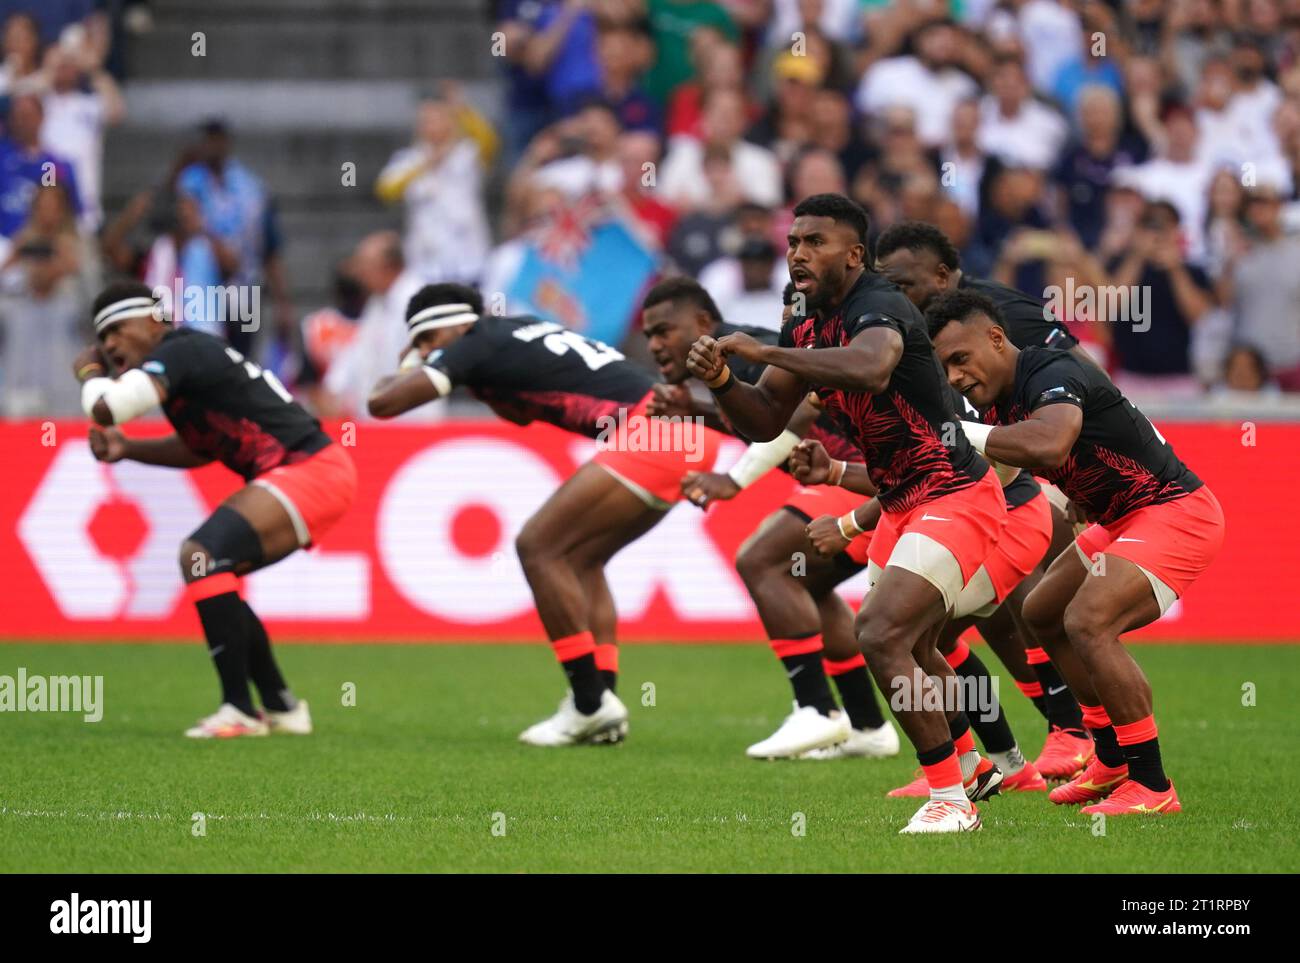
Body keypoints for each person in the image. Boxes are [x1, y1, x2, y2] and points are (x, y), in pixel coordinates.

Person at [688, 193, 1009, 833]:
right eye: (794, 241)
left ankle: (949, 799)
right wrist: (723, 382)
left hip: (954, 491)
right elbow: (765, 420)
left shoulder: (880, 307)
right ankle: (974, 762)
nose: (798, 253)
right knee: (914, 644)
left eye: (815, 242)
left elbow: (870, 368)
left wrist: (765, 353)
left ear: (855, 255)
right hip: (898, 501)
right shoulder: (805, 323)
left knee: (881, 634)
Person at [366, 282, 728, 747]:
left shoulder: (473, 340)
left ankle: (589, 702)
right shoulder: (517, 330)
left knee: (537, 546)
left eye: (427, 341)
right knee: (582, 561)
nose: (429, 353)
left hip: (654, 431)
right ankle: (603, 708)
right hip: (688, 431)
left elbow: (383, 403)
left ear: (446, 327)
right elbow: (521, 413)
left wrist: (413, 361)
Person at [925, 289, 1225, 815]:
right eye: (944, 367)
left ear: (996, 339)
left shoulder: (1049, 370)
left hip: (1175, 511)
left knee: (1089, 620)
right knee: (1042, 611)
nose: (954, 377)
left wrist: (958, 432)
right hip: (1119, 517)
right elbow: (1002, 469)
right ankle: (1109, 759)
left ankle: (1152, 786)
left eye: (960, 359)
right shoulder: (1001, 400)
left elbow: (1049, 444)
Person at [72, 281, 357, 738]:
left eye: (116, 330)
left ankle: (240, 710)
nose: (107, 345)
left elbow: (111, 406)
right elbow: (200, 448)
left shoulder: (180, 349)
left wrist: (89, 374)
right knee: (214, 570)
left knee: (200, 554)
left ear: (155, 320)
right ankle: (282, 706)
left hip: (310, 467)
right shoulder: (185, 364)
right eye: (101, 337)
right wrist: (128, 450)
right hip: (312, 472)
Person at [641, 278, 897, 760]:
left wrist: (732, 481)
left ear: (701, 324)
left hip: (865, 475)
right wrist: (695, 409)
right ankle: (866, 725)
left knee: (764, 562)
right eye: (648, 335)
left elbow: (785, 420)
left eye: (662, 331)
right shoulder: (750, 350)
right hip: (861, 476)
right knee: (809, 584)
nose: (654, 345)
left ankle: (816, 709)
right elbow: (762, 418)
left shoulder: (739, 352)